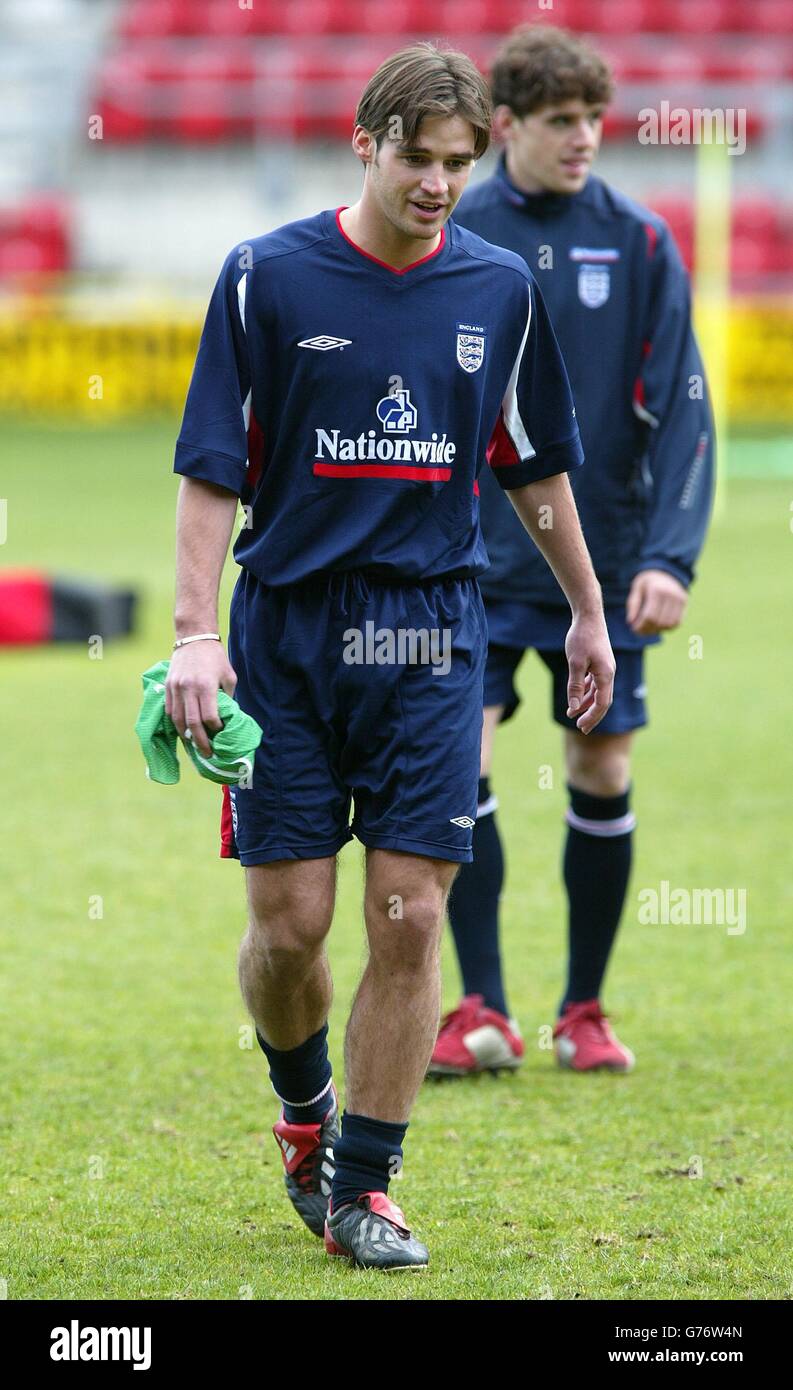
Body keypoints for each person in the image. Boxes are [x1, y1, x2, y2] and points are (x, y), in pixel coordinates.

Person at [166, 42, 614, 1271]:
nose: (435, 183)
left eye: (457, 165)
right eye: (414, 158)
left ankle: (366, 1182)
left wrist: (585, 610)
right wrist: (194, 633)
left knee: (410, 918)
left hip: (429, 635)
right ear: (364, 143)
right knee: (291, 928)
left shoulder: (497, 292)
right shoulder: (265, 277)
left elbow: (534, 466)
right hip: (289, 637)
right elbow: (213, 470)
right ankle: (304, 1111)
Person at [430, 25, 714, 1079]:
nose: (584, 138)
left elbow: (684, 410)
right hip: (471, 560)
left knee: (599, 764)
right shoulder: (458, 230)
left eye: (594, 120)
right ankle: (481, 1005)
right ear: (505, 126)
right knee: (460, 764)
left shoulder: (637, 242)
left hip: (606, 560)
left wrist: (668, 560)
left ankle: (582, 1010)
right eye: (561, 121)